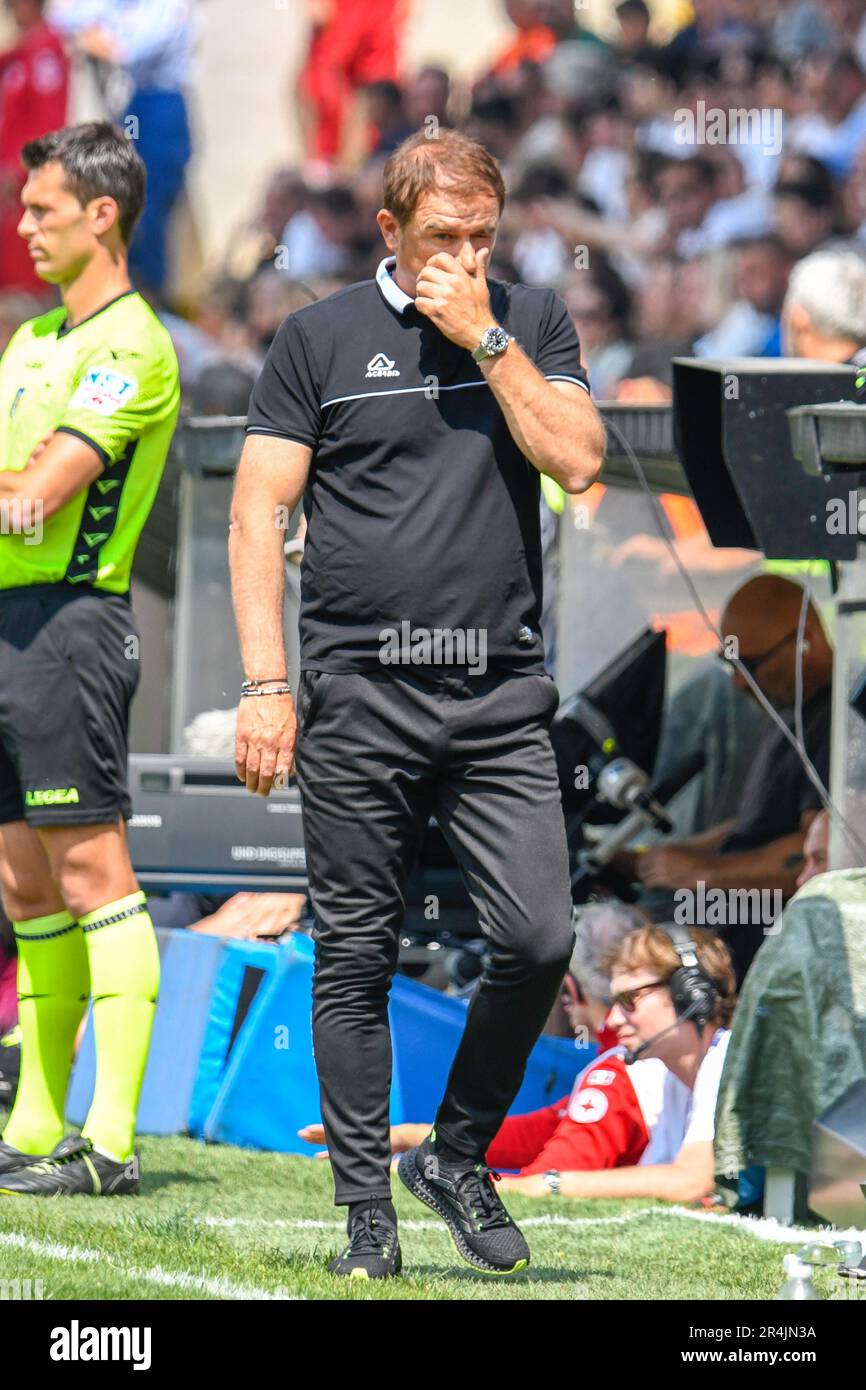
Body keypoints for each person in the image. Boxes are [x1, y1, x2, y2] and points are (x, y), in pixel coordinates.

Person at [231, 127, 604, 1279]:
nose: (466, 257)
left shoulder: (529, 322)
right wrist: (265, 685)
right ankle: (364, 1216)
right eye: (444, 237)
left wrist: (483, 335)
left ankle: (451, 1153)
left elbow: (578, 459)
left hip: (498, 690)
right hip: (357, 690)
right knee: (354, 953)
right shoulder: (317, 337)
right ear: (389, 230)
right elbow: (256, 516)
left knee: (537, 937)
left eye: (483, 236)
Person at [0, 122, 180, 1195]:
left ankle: (110, 1143)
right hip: (7, 624)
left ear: (102, 214)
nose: (24, 226)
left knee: (91, 870)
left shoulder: (132, 346)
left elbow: (37, 497)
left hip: (72, 625)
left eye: (42, 209)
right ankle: (34, 1127)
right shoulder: (30, 341)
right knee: (23, 877)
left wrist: (20, 486)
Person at [626, 575, 833, 983]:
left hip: (762, 925)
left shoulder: (836, 722)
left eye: (749, 666)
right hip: (727, 911)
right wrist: (658, 858)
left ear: (804, 642)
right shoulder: (785, 712)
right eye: (730, 664)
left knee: (618, 941)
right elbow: (749, 825)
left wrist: (699, 874)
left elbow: (812, 853)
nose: (738, 681)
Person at [497, 923, 736, 1201]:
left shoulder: (725, 1062)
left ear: (692, 993)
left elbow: (690, 1182)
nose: (613, 1019)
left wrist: (550, 1184)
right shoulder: (668, 1079)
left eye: (629, 999)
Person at [0, 0, 69, 294]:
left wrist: (20, 169)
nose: (11, 9)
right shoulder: (20, 53)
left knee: (23, 273)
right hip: (7, 181)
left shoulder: (46, 52)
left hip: (21, 182)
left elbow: (49, 123)